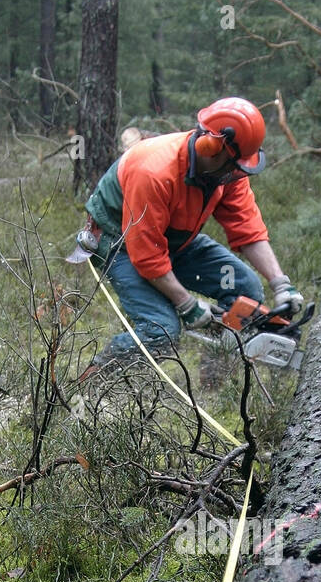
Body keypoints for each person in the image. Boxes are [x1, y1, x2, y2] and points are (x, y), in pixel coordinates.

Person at [76, 97, 304, 375]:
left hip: (172, 240)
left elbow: (247, 228)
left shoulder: (228, 172)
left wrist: (281, 284)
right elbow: (147, 255)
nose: (239, 173)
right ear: (213, 146)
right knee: (161, 331)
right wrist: (187, 305)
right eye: (236, 165)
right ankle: (93, 380)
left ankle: (215, 373)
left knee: (246, 291)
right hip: (121, 242)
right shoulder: (155, 171)